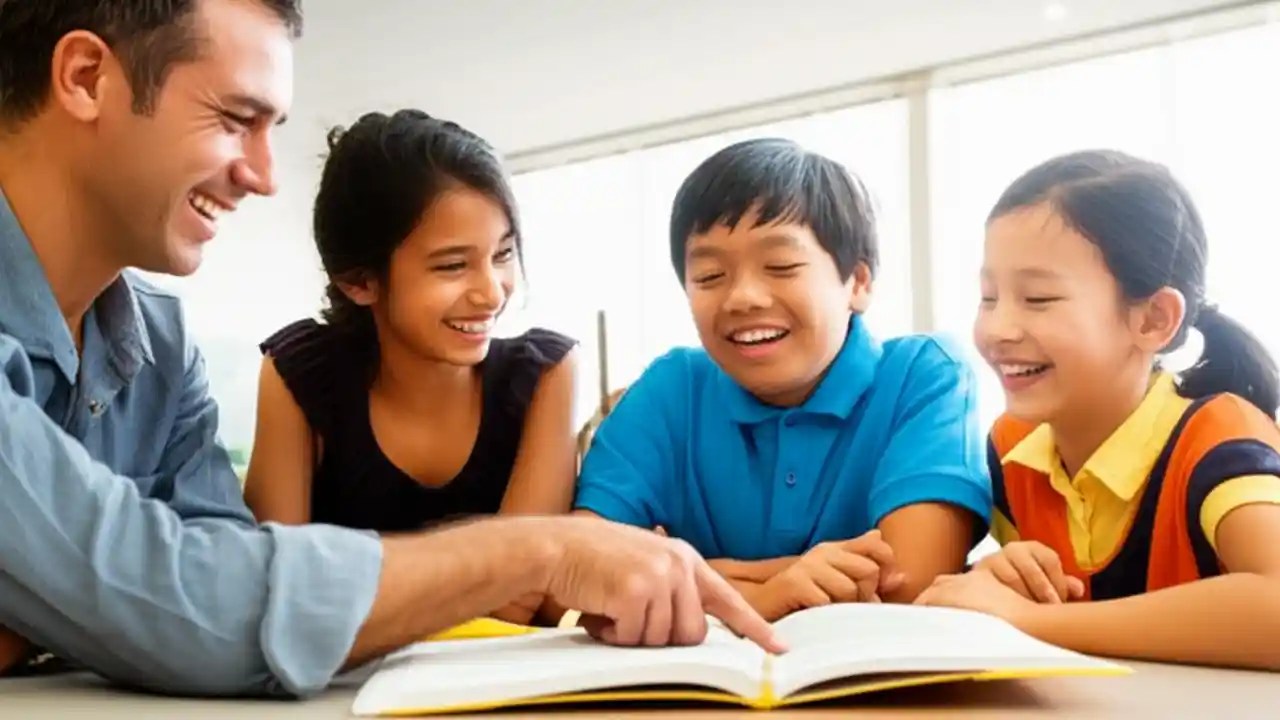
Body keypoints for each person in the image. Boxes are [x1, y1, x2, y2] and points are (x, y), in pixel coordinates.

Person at [0, 0, 780, 696]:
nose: (266, 177)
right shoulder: (296, 371)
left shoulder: (165, 354)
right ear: (84, 76)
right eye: (235, 118)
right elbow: (210, 611)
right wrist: (540, 551)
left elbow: (225, 583)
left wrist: (65, 607)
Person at [574, 138, 993, 621]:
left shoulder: (925, 374)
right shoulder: (671, 388)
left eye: (781, 267)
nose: (743, 298)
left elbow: (908, 587)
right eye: (710, 276)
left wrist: (699, 577)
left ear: (857, 282)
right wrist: (771, 591)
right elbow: (574, 580)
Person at [916, 150, 1280, 672]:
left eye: (1037, 299)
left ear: (1154, 319)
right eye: (989, 297)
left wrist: (1029, 620)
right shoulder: (1011, 449)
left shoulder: (1219, 439)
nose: (998, 329)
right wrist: (1000, 577)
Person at [242, 111, 578, 623]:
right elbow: (276, 591)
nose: (491, 292)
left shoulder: (546, 376)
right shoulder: (300, 374)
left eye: (503, 254)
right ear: (359, 282)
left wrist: (355, 595)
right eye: (452, 265)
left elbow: (515, 600)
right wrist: (476, 578)